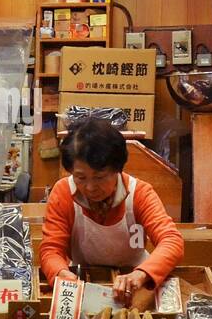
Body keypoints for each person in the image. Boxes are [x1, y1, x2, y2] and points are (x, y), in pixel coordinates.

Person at [39, 118, 184, 308]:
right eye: (80, 177)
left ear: (117, 169)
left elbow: (171, 241)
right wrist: (60, 273)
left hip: (135, 284)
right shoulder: (63, 192)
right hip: (85, 284)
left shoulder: (139, 193)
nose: (90, 187)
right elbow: (51, 249)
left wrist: (142, 274)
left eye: (99, 177)